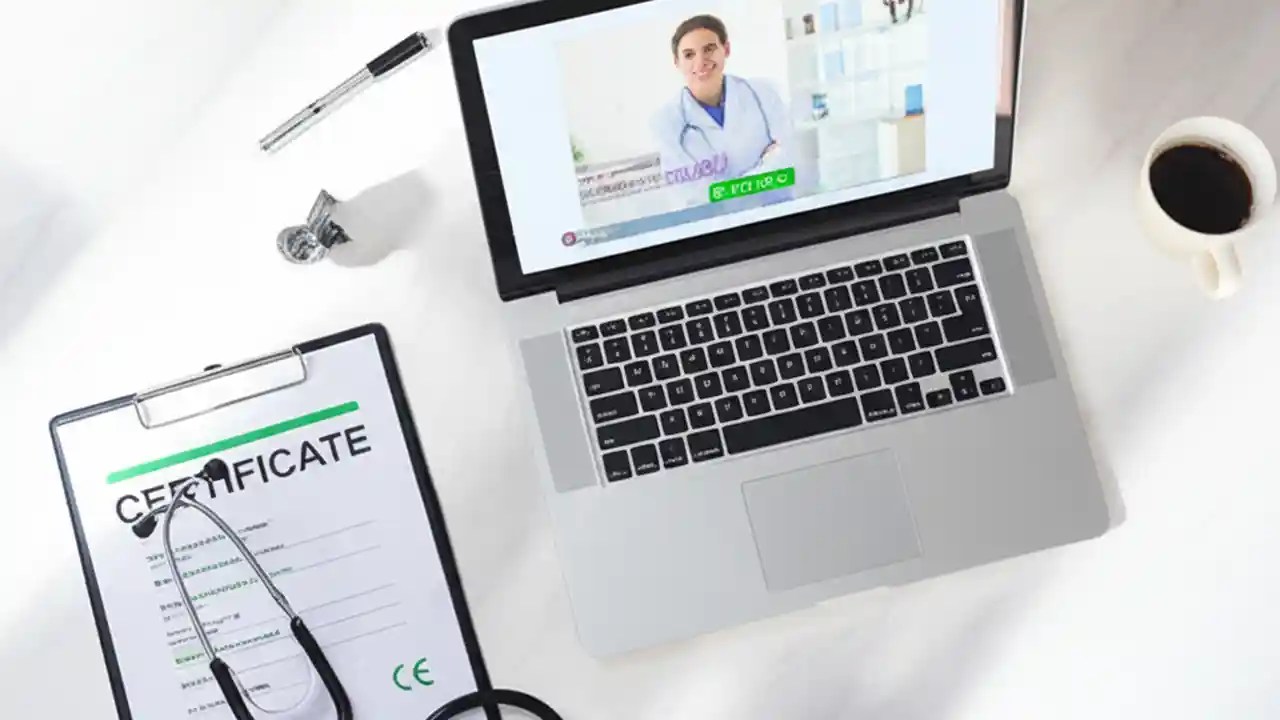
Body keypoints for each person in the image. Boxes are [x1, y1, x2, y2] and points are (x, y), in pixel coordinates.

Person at [651, 15, 794, 210]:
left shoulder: (764, 93)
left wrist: (721, 190)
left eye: (709, 49)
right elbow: (690, 196)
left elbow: (787, 162)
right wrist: (762, 167)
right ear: (677, 62)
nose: (700, 61)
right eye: (689, 55)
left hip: (776, 215)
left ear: (726, 49)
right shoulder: (665, 122)